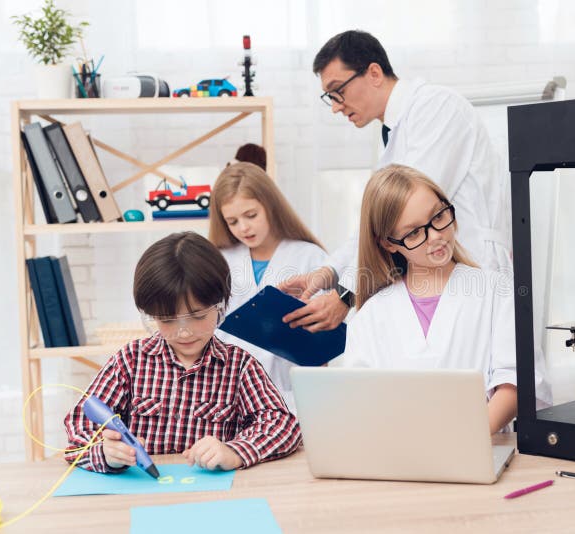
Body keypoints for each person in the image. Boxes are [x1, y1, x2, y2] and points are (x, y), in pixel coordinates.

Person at [280, 29, 511, 333]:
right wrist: (328, 272)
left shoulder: (436, 108)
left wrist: (345, 296)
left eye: (338, 91)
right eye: (329, 98)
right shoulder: (391, 133)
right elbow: (374, 222)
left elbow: (404, 212)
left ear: (374, 73)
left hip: (473, 268)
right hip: (434, 276)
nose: (336, 105)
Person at [64, 232, 301, 472]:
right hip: (142, 497)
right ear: (151, 315)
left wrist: (235, 451)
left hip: (214, 500)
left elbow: (283, 426)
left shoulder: (239, 366)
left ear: (221, 306)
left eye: (197, 316)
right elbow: (79, 425)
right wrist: (105, 453)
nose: (184, 333)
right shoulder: (130, 361)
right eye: (167, 320)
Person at [343, 165, 550, 433]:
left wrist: (467, 438)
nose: (436, 237)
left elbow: (515, 381)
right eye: (414, 233)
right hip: (399, 458)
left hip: (478, 448)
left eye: (438, 216)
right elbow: (359, 404)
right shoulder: (370, 317)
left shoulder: (496, 291)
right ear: (388, 243)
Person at [208, 162, 329, 411]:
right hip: (231, 398)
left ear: (270, 206)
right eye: (232, 221)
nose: (244, 228)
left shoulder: (309, 257)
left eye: (251, 215)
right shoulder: (220, 260)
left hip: (292, 399)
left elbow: (326, 339)